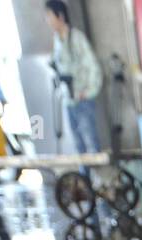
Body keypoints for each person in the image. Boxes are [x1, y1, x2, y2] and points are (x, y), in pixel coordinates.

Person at [45, 1, 103, 156]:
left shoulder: (77, 38)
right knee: (79, 146)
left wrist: (89, 92)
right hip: (68, 99)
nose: (48, 21)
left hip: (83, 99)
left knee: (91, 145)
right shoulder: (57, 40)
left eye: (50, 16)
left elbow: (93, 66)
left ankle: (98, 179)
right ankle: (84, 179)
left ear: (60, 16)